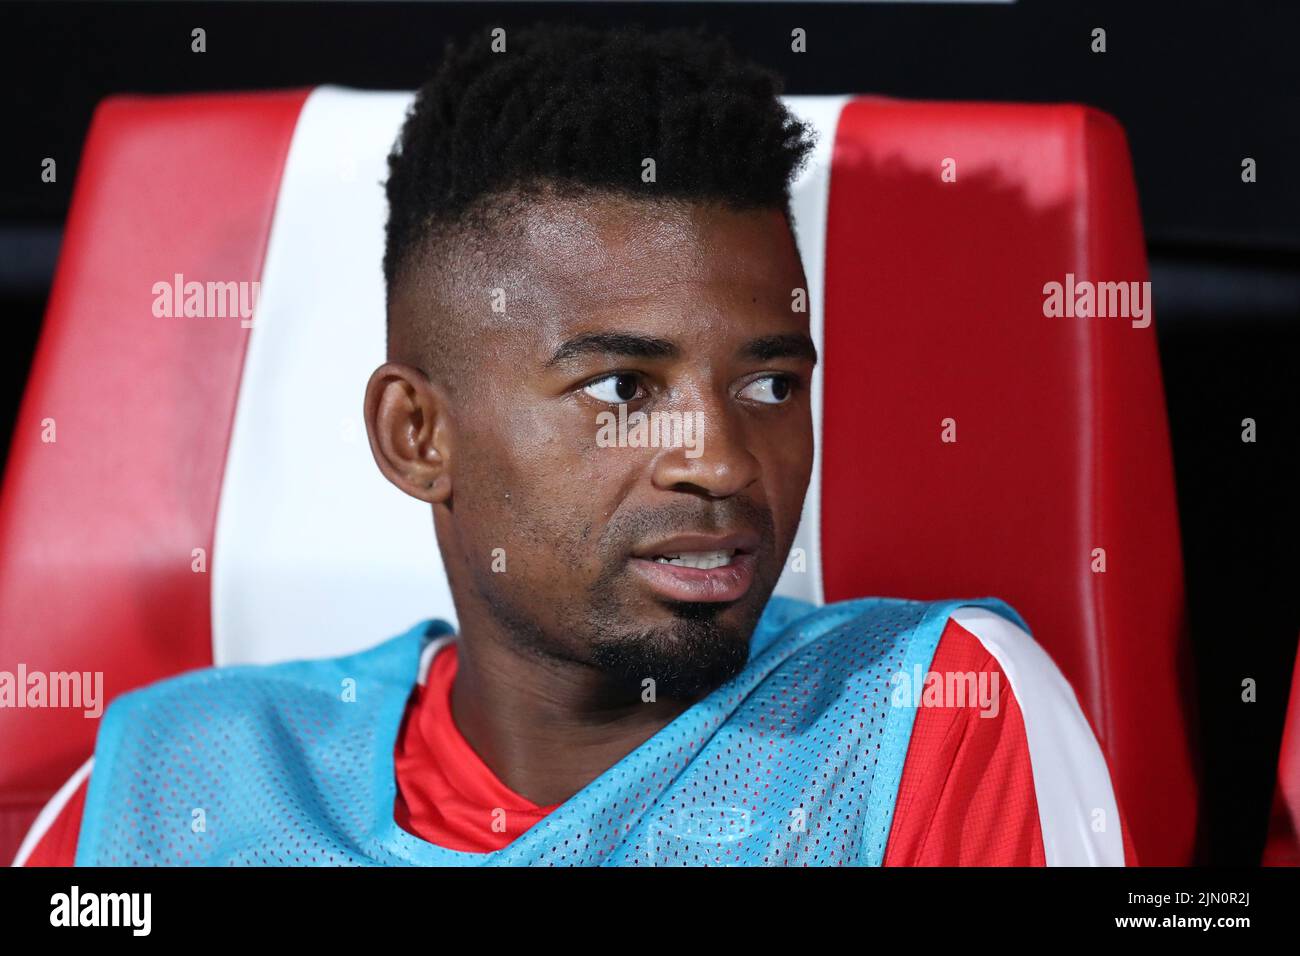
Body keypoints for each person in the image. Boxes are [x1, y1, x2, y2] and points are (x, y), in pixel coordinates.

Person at [20, 21, 1135, 867]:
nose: (720, 460)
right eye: (621, 387)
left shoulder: (921, 717)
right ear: (417, 436)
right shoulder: (162, 778)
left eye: (768, 384)